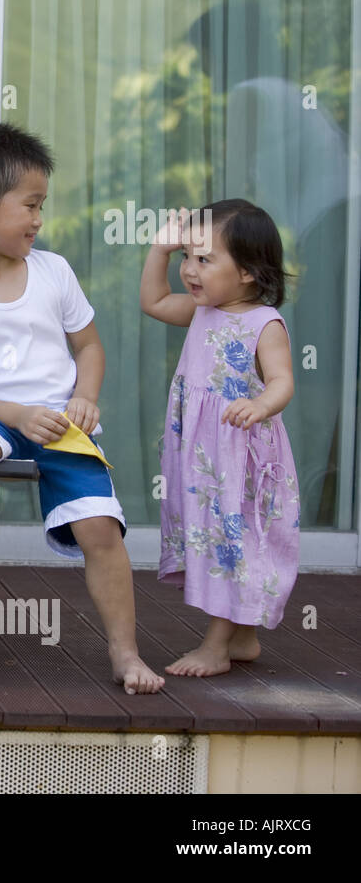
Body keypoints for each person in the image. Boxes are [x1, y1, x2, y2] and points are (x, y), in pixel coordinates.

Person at [0, 123, 163, 695]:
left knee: (101, 528)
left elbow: (90, 347)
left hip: (59, 420)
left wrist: (85, 396)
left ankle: (125, 652)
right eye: (30, 205)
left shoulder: (53, 273)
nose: (38, 219)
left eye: (41, 206)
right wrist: (14, 413)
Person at [140, 200, 299, 676]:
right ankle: (243, 638)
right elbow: (152, 301)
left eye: (204, 260)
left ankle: (215, 646)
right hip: (203, 453)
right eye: (187, 256)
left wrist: (261, 405)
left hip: (241, 453)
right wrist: (160, 250)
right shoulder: (201, 308)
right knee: (213, 537)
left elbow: (283, 382)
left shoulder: (262, 323)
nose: (189, 269)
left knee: (234, 540)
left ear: (248, 272)